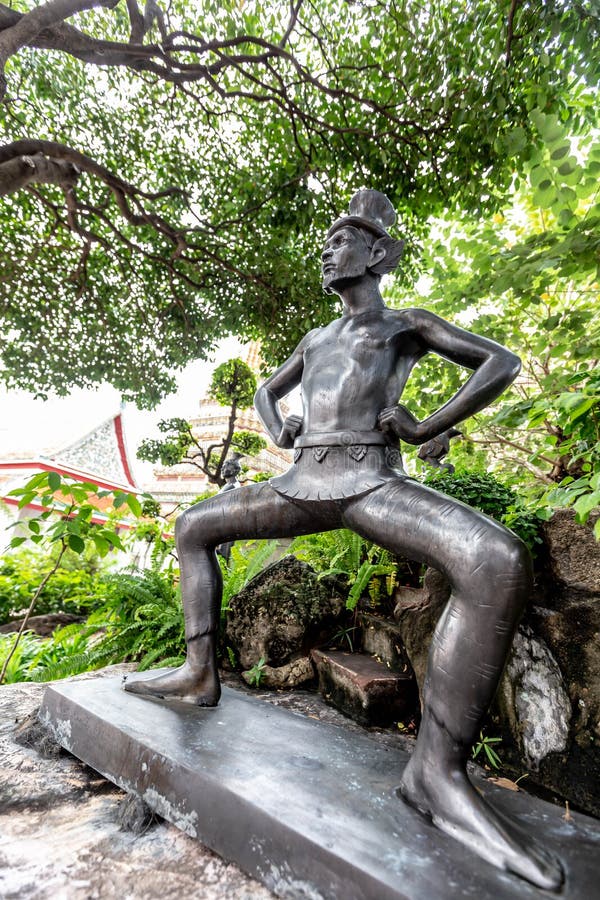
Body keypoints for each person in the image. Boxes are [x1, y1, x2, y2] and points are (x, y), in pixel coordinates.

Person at [124, 190, 562, 890]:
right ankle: (200, 672)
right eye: (325, 241)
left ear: (378, 254)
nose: (327, 250)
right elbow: (270, 393)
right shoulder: (314, 339)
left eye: (340, 239)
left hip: (372, 482)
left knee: (495, 558)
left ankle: (435, 773)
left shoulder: (404, 325)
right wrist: (278, 427)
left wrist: (423, 427)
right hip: (301, 482)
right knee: (192, 525)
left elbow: (499, 363)